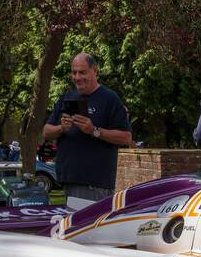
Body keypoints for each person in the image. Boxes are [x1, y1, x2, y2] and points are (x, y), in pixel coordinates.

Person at [43, 53, 133, 207]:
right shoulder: (67, 97)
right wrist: (61, 128)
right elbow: (46, 131)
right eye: (74, 72)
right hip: (66, 181)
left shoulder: (109, 98)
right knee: (70, 230)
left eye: (82, 72)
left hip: (93, 184)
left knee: (87, 230)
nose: (77, 77)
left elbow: (126, 138)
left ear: (95, 71)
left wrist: (94, 130)